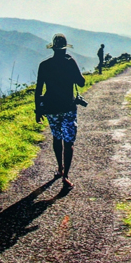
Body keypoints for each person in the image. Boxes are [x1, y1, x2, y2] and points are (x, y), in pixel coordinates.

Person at [35, 34, 86, 188]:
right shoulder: (69, 62)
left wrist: (38, 111)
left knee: (57, 138)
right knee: (68, 142)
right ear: (65, 48)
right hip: (68, 107)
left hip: (51, 108)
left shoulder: (44, 65)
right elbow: (81, 82)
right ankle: (66, 177)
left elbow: (38, 90)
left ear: (53, 48)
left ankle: (59, 169)